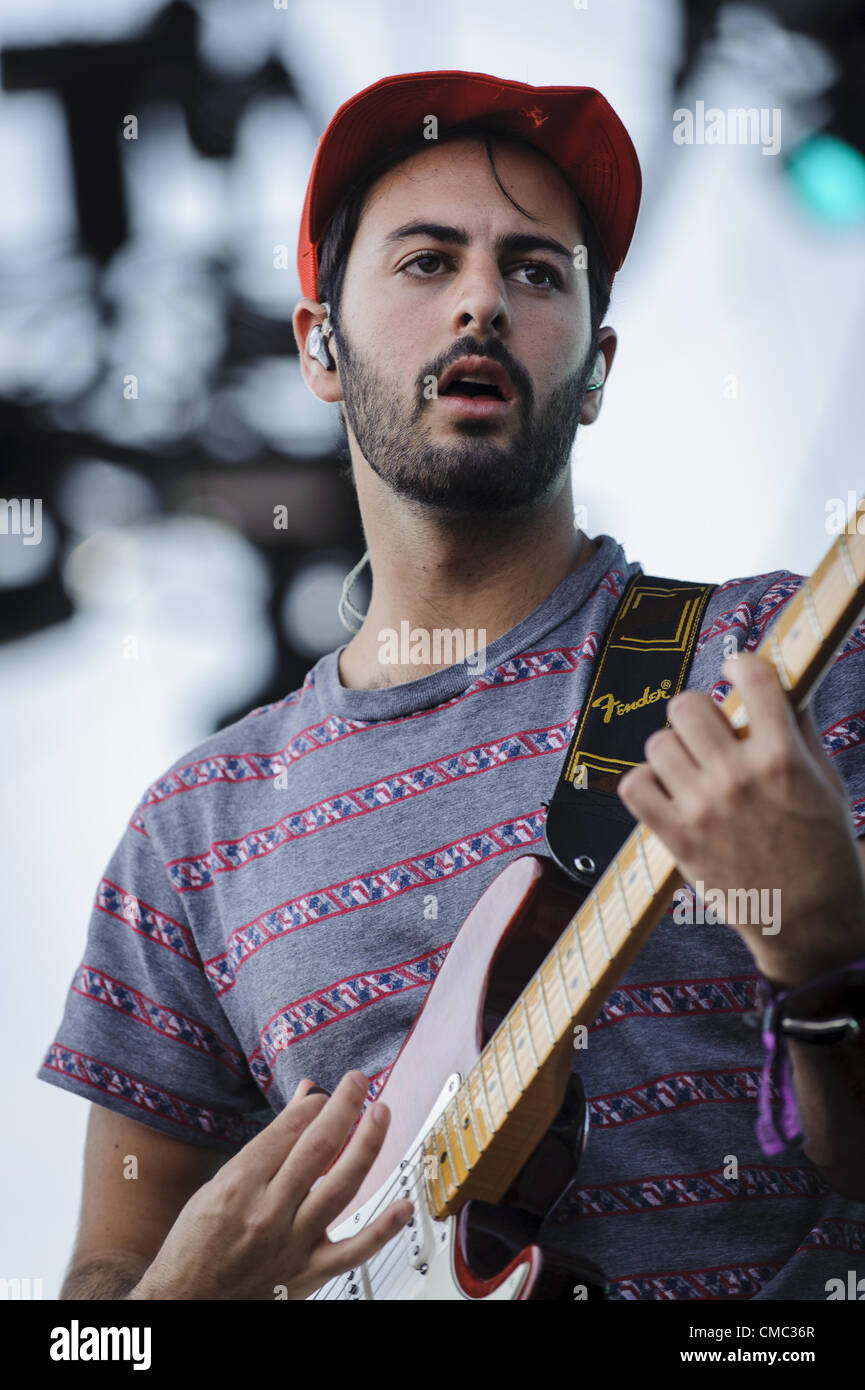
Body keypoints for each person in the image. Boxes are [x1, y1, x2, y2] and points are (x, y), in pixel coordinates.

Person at [38, 70, 865, 1302]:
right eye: (427, 262)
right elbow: (95, 1308)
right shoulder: (192, 833)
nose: (482, 298)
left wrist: (828, 957)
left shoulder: (781, 663)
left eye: (536, 272)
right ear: (319, 344)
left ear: (594, 369)